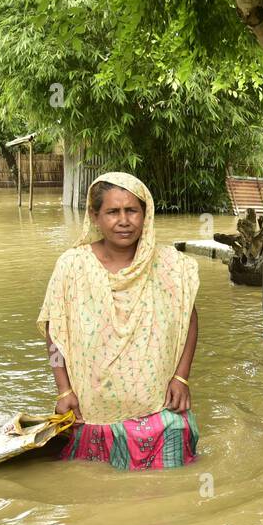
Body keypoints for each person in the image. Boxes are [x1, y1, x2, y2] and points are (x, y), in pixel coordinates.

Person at [37, 172, 200, 470]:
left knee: (167, 496)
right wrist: (64, 390)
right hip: (92, 408)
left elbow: (187, 318)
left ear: (145, 214)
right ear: (95, 216)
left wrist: (181, 377)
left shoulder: (170, 265)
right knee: (94, 495)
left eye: (132, 211)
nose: (124, 220)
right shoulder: (72, 265)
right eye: (112, 212)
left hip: (159, 407)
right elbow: (54, 332)